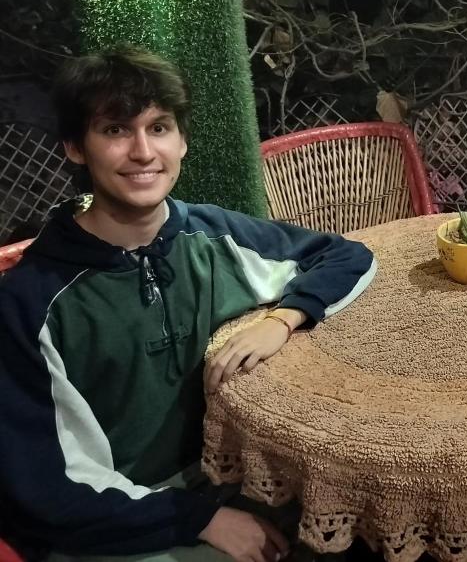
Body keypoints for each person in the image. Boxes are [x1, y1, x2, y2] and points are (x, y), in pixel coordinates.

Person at [0, 46, 378, 561]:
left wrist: (285, 318)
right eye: (115, 130)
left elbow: (346, 256)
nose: (143, 152)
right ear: (75, 147)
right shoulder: (29, 303)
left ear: (181, 141)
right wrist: (198, 520)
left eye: (159, 127)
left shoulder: (214, 234)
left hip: (229, 478)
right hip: (112, 521)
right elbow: (44, 488)